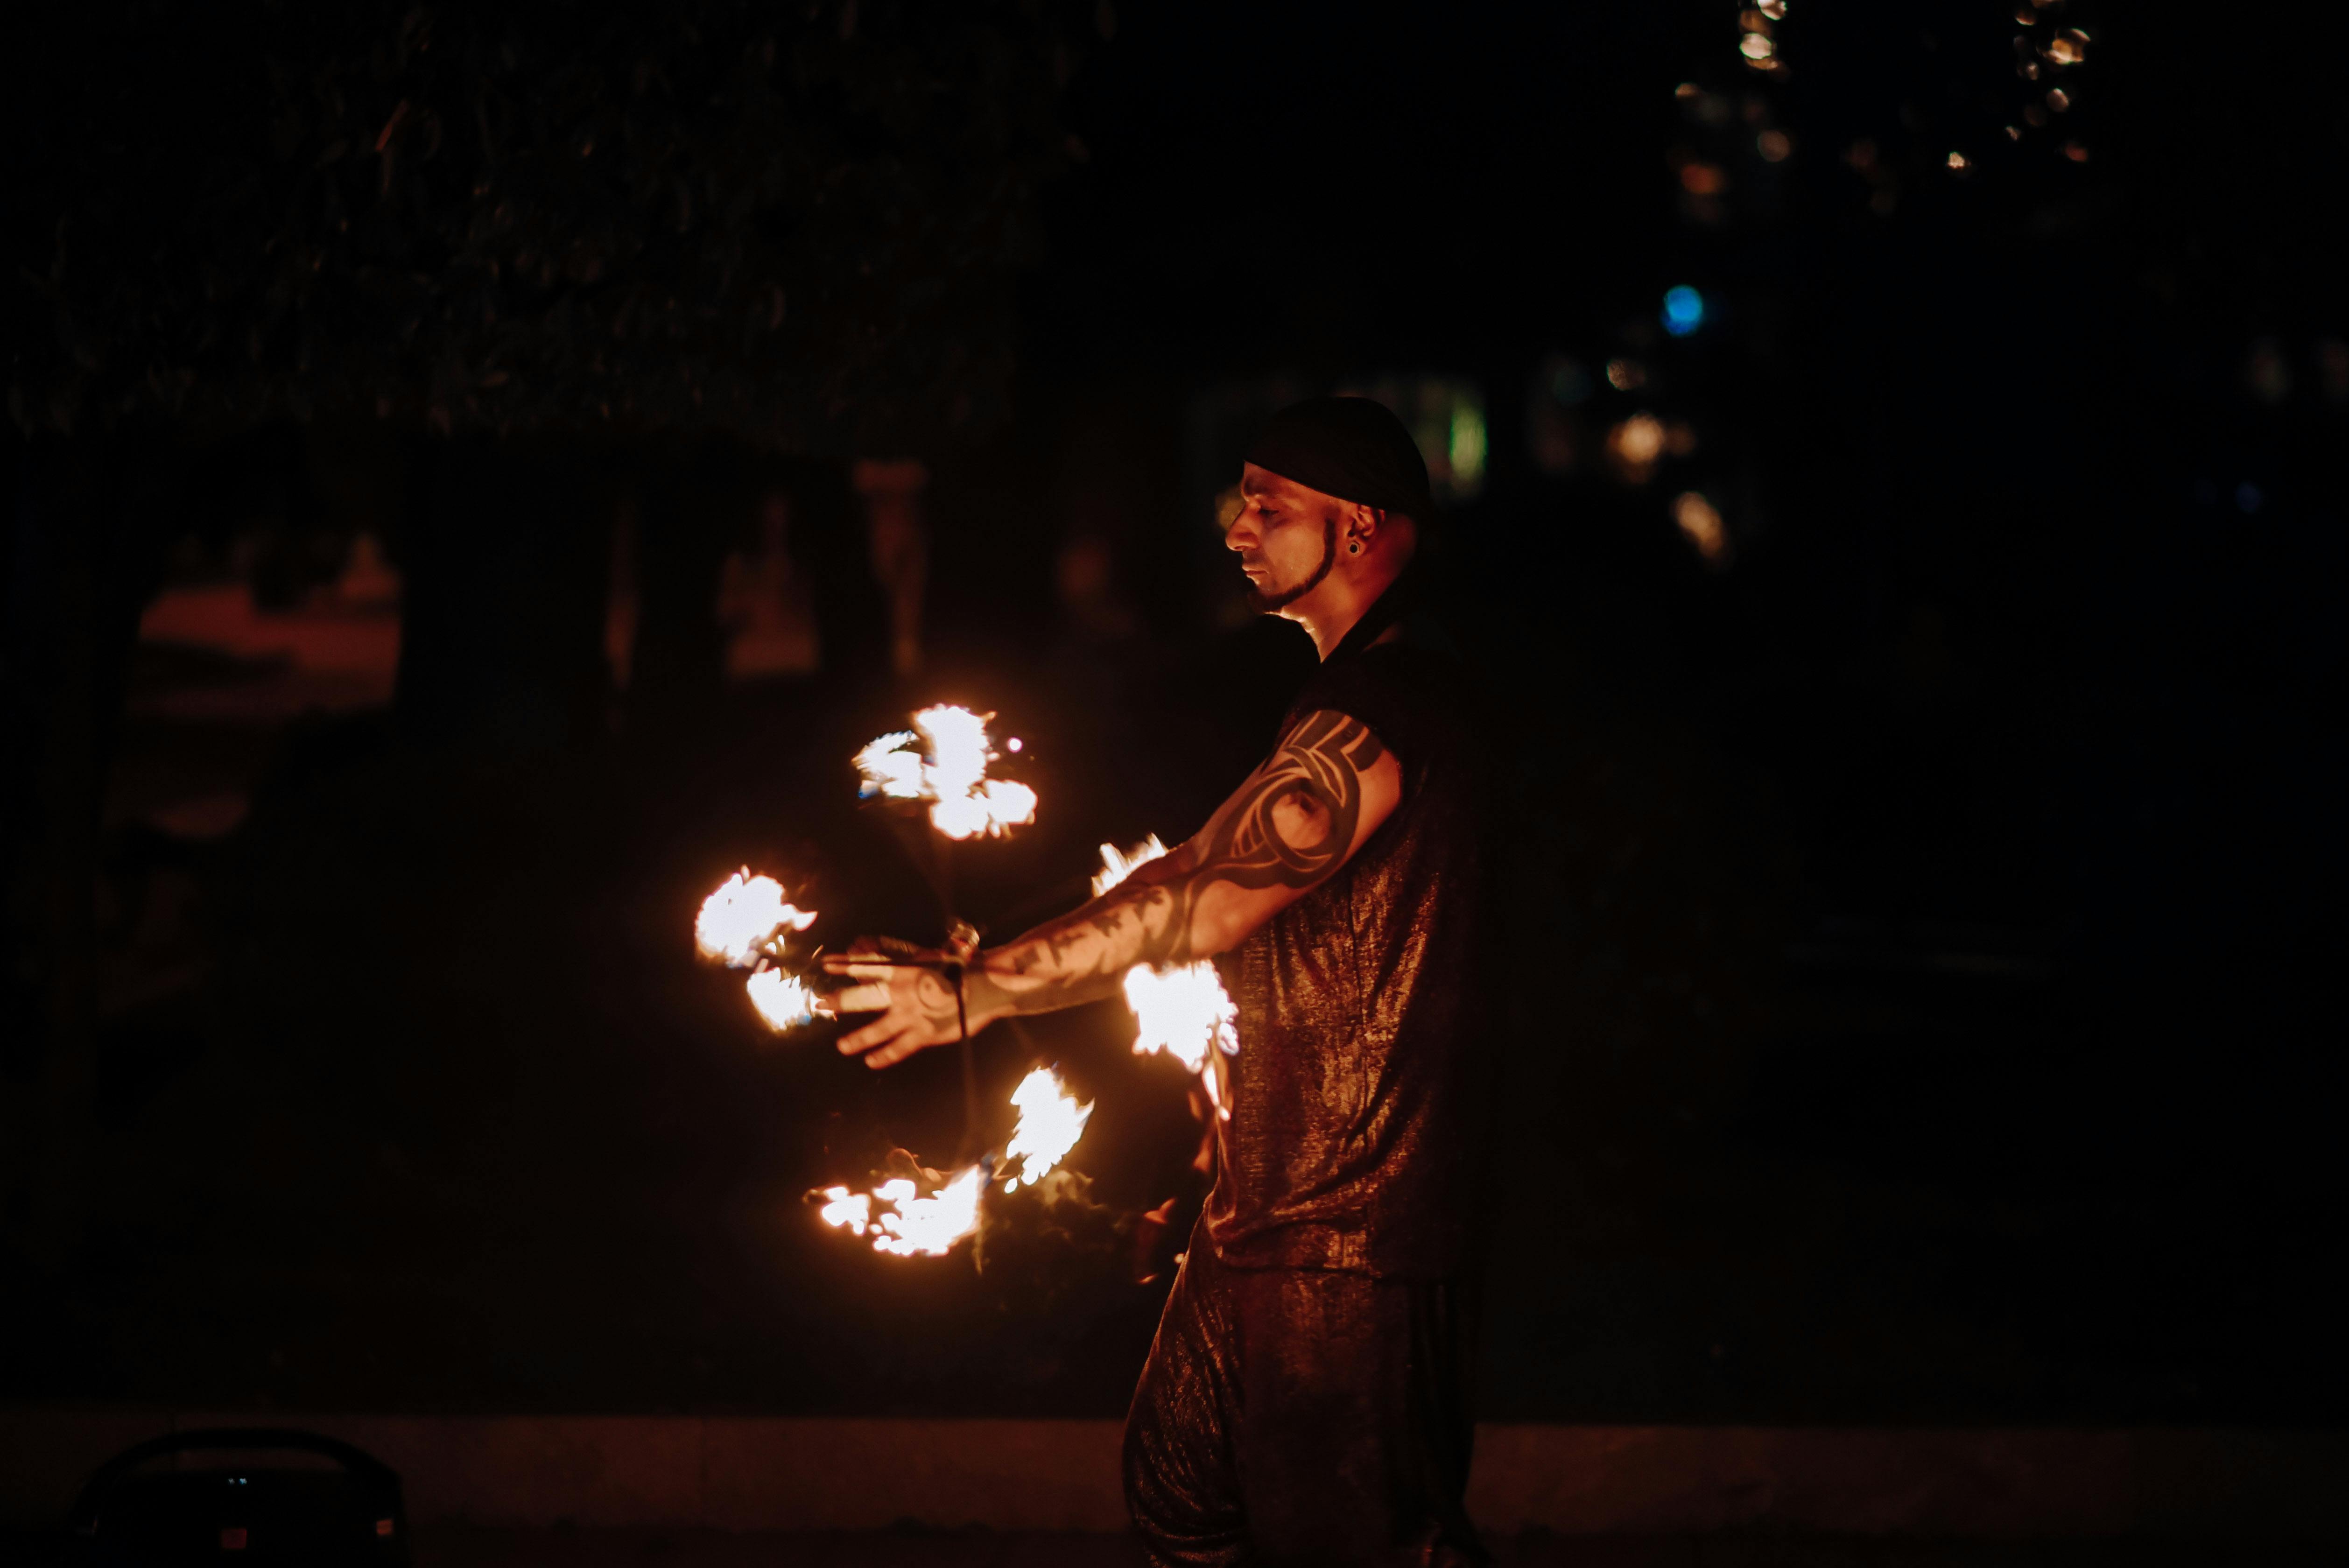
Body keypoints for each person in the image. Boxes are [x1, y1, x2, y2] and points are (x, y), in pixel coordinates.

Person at [826, 397, 1495, 1566]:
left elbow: (1208, 895)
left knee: (1358, 1544)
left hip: (1349, 1226)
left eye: (1268, 505)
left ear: (1361, 530)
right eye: (1240, 499)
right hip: (1267, 1202)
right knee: (1182, 1491)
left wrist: (978, 992)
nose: (1236, 527)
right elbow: (1205, 881)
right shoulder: (1351, 695)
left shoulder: (1387, 710)